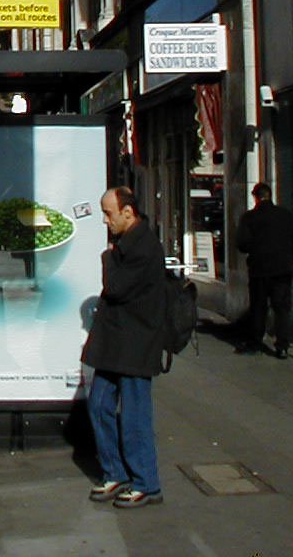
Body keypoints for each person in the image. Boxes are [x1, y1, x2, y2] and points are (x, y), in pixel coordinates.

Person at [81, 186, 168, 508]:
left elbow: (115, 287)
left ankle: (146, 482)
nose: (105, 220)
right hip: (116, 344)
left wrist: (107, 255)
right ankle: (114, 472)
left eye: (108, 213)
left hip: (134, 344)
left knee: (134, 416)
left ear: (127, 213)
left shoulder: (143, 247)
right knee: (99, 404)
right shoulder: (128, 242)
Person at [235, 182, 293, 358]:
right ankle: (282, 346)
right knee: (281, 308)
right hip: (282, 269)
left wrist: (256, 248)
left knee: (259, 307)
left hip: (259, 269)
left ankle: (255, 342)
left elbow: (242, 244)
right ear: (271, 195)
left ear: (256, 197)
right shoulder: (285, 215)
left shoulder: (249, 218)